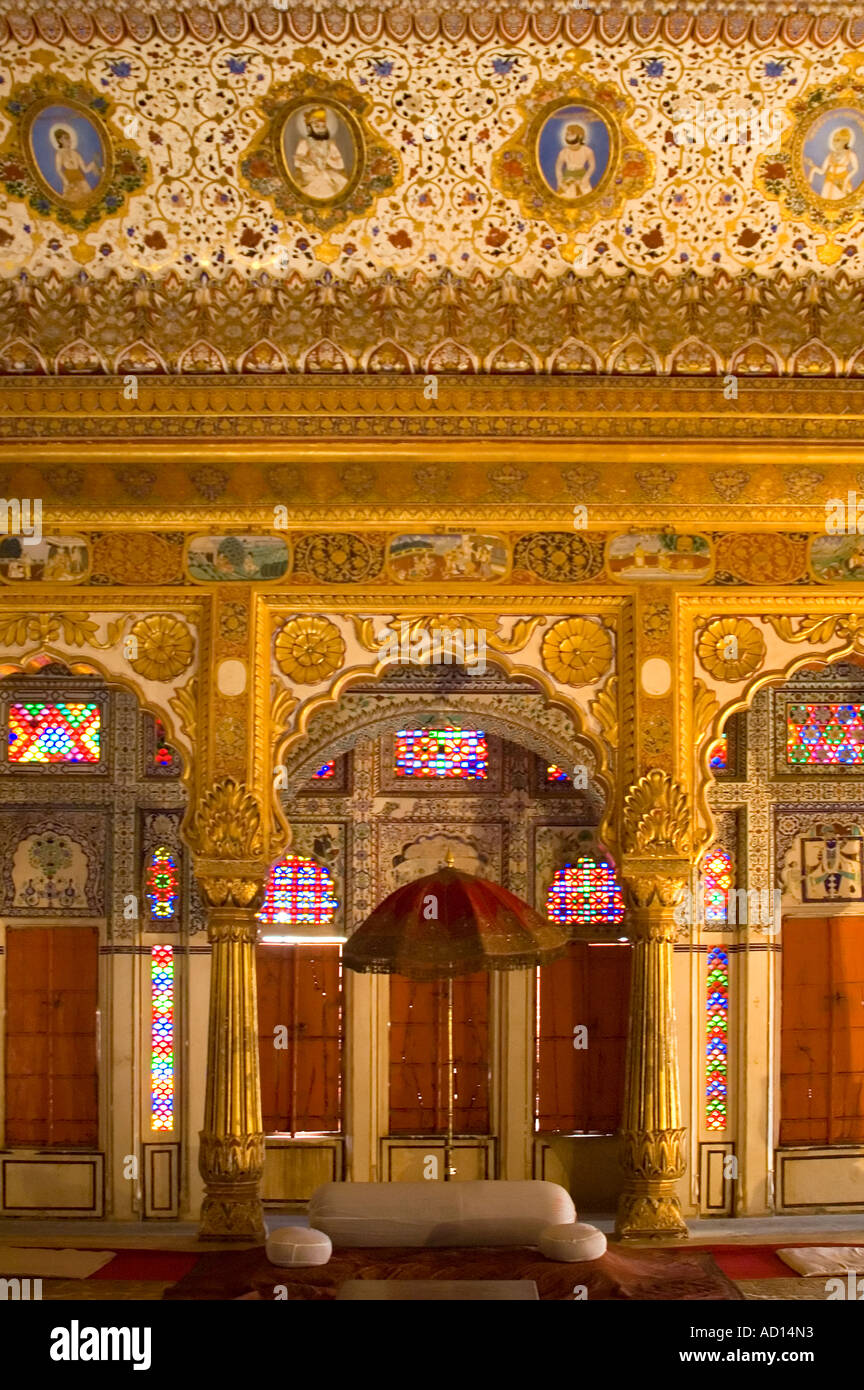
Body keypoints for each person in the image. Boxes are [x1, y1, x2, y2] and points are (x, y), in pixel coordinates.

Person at [291, 107, 348, 199]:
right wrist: (308, 165)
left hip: (327, 173)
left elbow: (340, 164)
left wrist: (329, 159)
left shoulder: (330, 144)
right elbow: (297, 160)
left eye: (323, 126)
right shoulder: (304, 143)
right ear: (309, 128)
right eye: (317, 126)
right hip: (311, 175)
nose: (320, 129)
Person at [806, 126, 859, 201]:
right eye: (833, 140)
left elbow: (855, 168)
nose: (834, 143)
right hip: (829, 181)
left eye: (837, 140)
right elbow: (822, 171)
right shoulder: (830, 155)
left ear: (845, 141)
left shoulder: (850, 154)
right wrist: (812, 171)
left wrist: (846, 180)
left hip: (842, 181)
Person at [51, 125, 102, 202]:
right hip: (70, 181)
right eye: (66, 138)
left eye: (69, 138)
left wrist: (93, 164)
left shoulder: (75, 153)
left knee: (86, 200)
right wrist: (65, 180)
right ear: (60, 140)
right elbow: (58, 170)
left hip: (81, 180)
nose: (69, 140)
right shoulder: (59, 153)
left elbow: (85, 170)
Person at [554, 121, 596, 199]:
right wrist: (559, 181)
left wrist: (586, 178)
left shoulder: (587, 151)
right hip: (567, 179)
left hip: (582, 179)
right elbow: (558, 168)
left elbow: (592, 166)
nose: (568, 136)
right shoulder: (563, 152)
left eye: (571, 134)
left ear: (580, 136)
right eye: (567, 134)